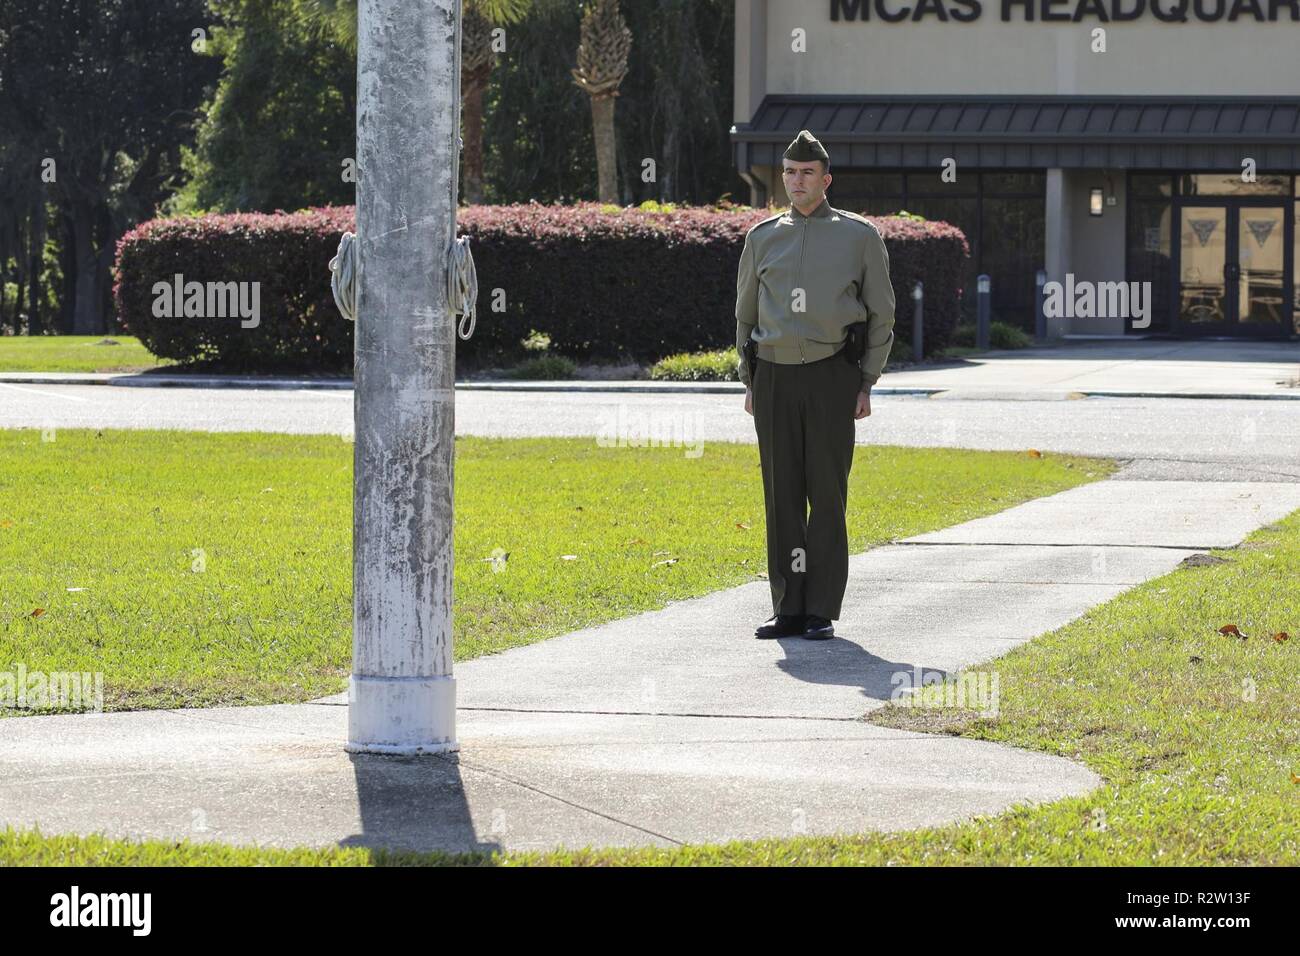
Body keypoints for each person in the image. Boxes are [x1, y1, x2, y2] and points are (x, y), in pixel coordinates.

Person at [734, 129, 896, 640]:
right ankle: (788, 606)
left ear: (826, 180)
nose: (796, 181)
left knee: (827, 493)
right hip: (775, 375)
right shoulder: (762, 238)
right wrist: (750, 379)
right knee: (781, 493)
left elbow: (881, 314)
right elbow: (745, 315)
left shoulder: (859, 237)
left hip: (832, 375)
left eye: (806, 173)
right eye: (789, 172)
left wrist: (866, 380)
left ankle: (821, 608)